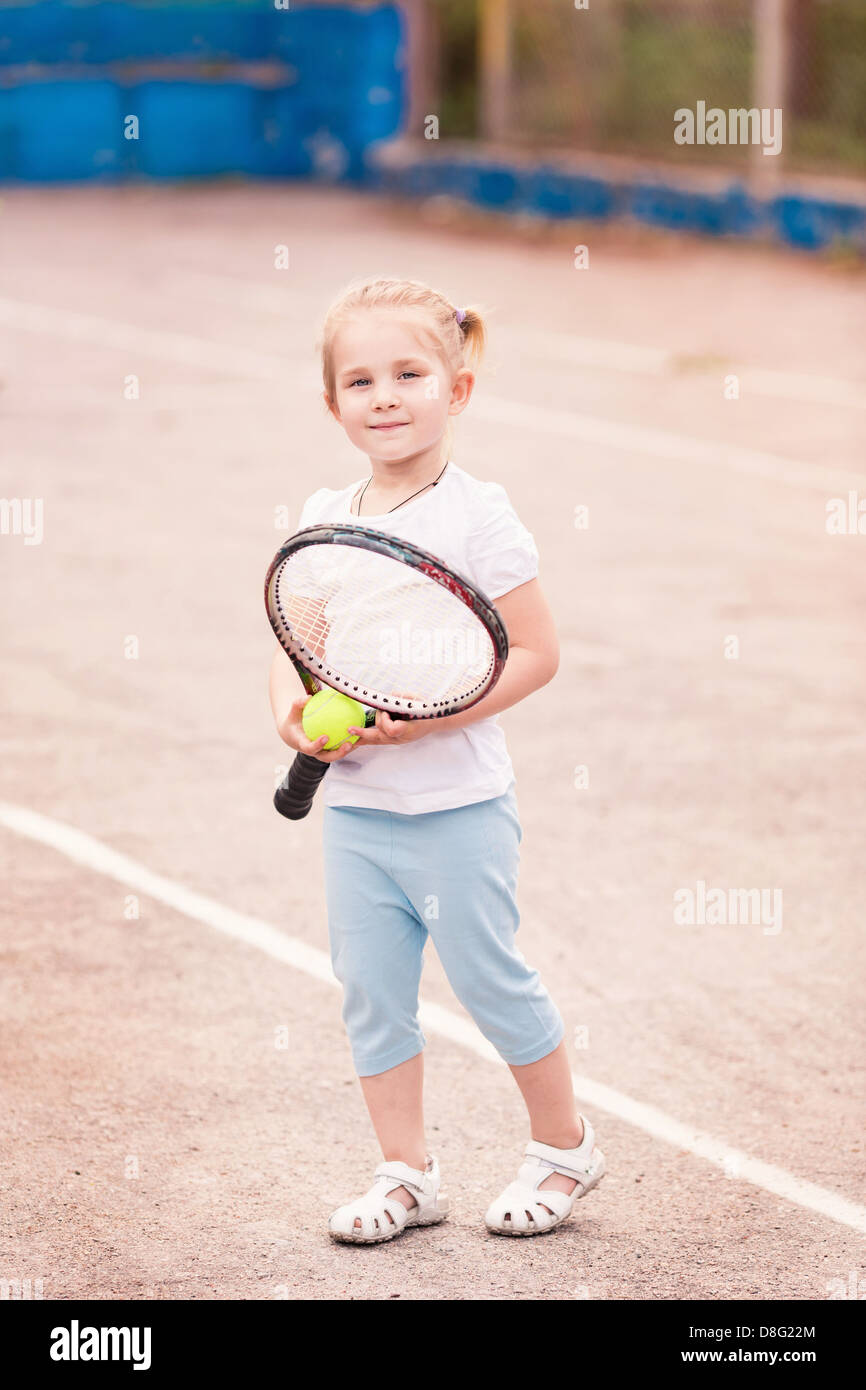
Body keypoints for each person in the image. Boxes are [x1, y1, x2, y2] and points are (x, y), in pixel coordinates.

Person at [268, 276, 605, 1242]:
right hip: (360, 815)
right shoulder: (324, 512)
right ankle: (406, 1175)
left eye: (409, 373)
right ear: (335, 407)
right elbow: (295, 641)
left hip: (458, 806)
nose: (385, 396)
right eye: (362, 380)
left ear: (455, 390)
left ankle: (563, 1148)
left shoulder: (478, 516)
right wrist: (291, 716)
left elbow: (537, 653)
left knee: (490, 978)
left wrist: (436, 719)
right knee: (372, 993)